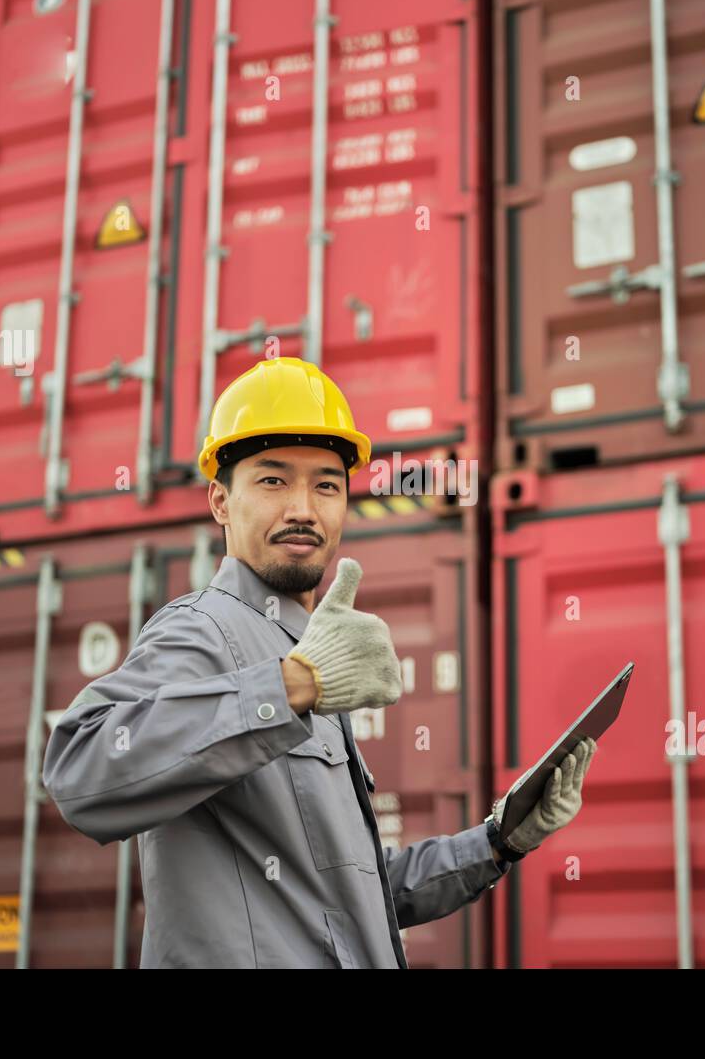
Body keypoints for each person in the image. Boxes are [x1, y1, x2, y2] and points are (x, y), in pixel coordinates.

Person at [41, 356, 597, 967]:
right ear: (221, 502)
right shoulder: (203, 630)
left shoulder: (306, 652)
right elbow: (78, 770)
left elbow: (353, 900)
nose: (303, 508)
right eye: (273, 481)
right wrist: (292, 685)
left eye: (326, 485)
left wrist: (497, 842)